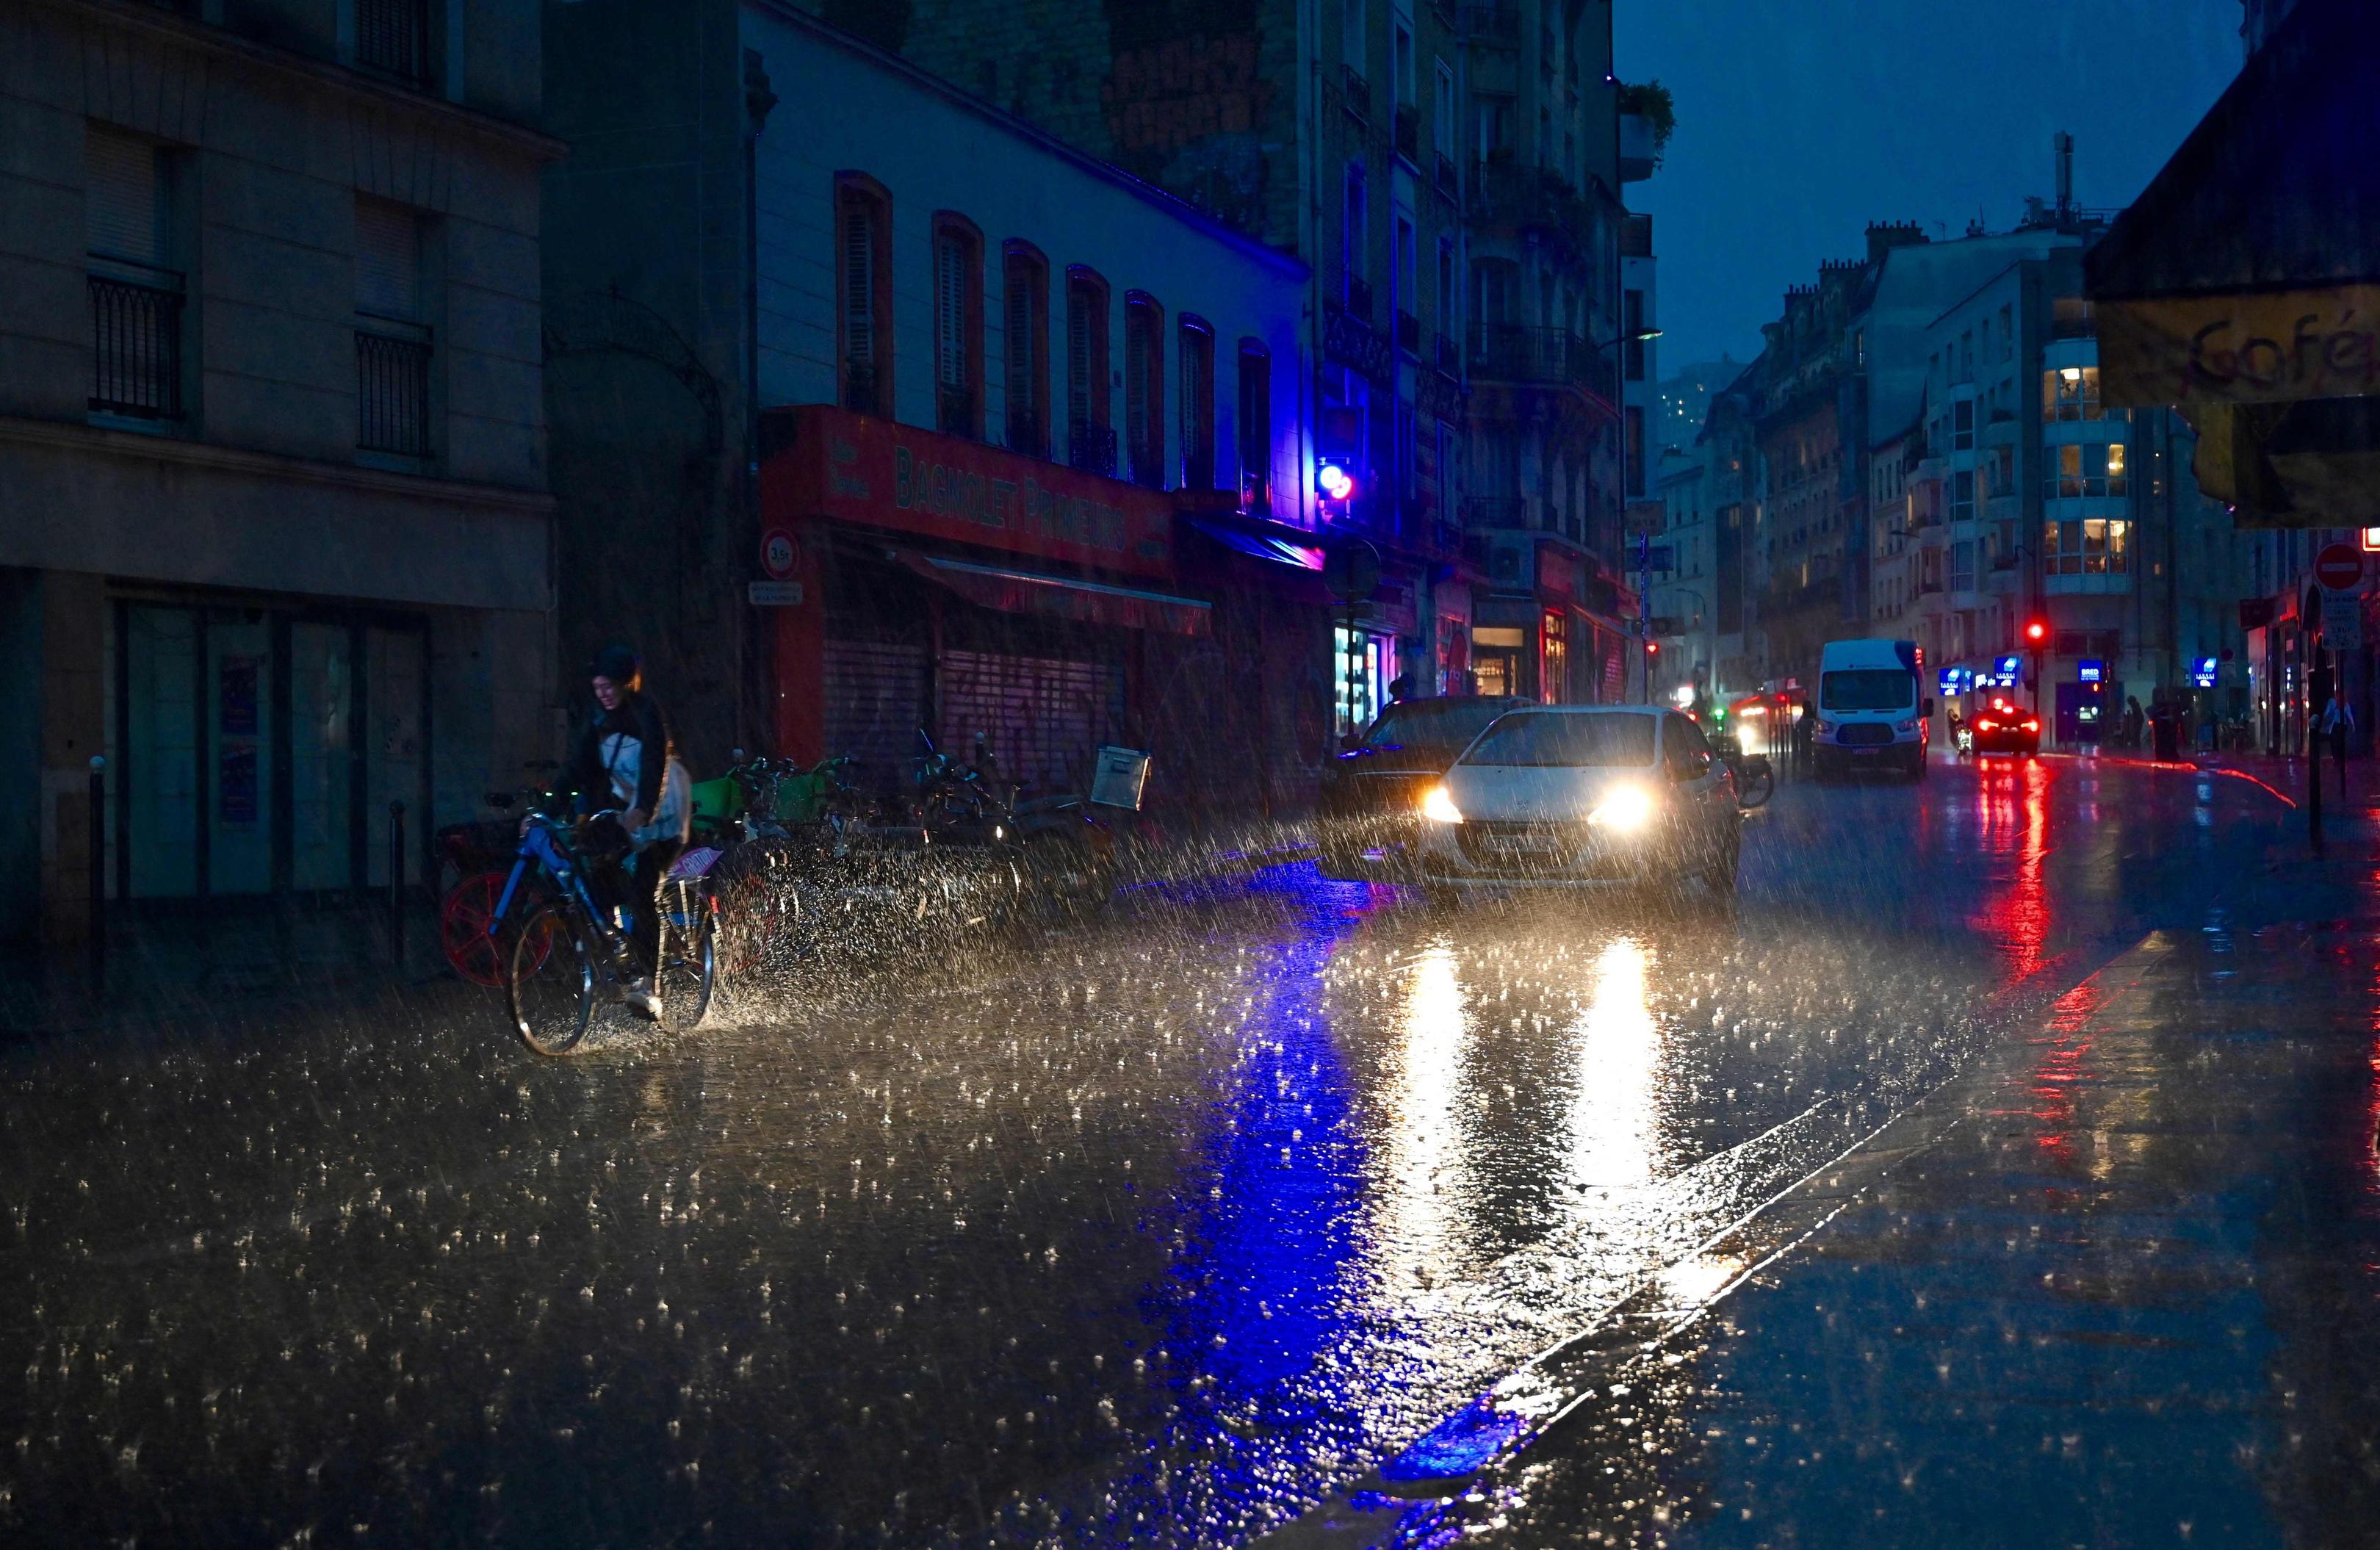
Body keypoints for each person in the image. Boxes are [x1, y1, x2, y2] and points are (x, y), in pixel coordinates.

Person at [552, 644, 690, 1019]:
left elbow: (653, 765)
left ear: (628, 683)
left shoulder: (648, 713)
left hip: (664, 808)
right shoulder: (598, 718)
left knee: (644, 889)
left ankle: (651, 986)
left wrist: (644, 809)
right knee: (596, 873)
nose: (604, 694)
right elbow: (578, 768)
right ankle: (623, 951)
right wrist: (546, 810)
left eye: (609, 686)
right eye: (597, 688)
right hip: (623, 805)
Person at [2321, 688, 2356, 798]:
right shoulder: (2332, 702)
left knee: (2339, 742)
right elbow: (2327, 713)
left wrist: (2353, 724)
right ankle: (2337, 758)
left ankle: (2339, 759)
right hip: (2335, 725)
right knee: (2334, 742)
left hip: (2342, 725)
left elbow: (2349, 714)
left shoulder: (2345, 704)